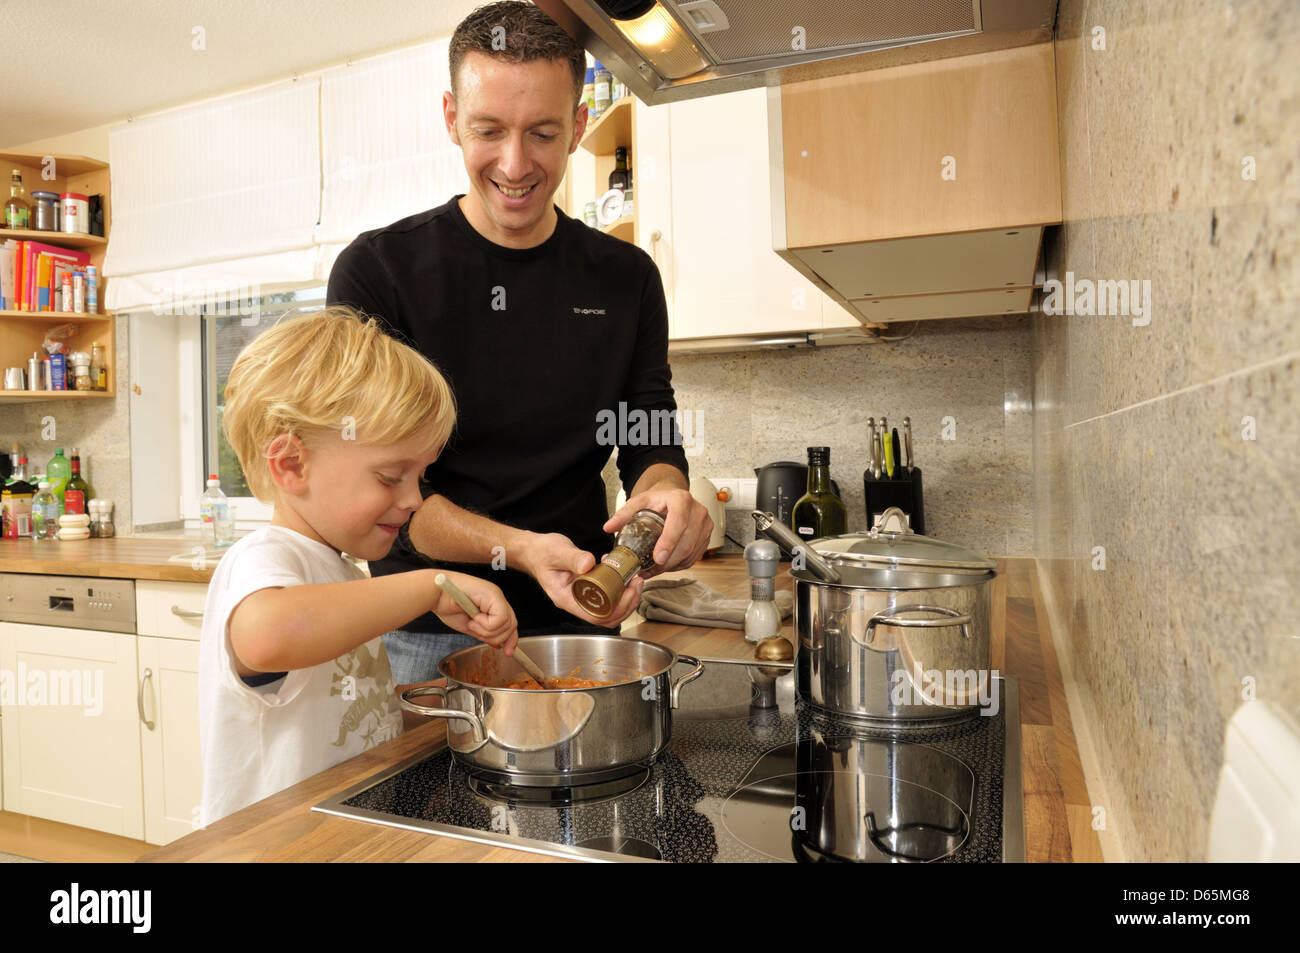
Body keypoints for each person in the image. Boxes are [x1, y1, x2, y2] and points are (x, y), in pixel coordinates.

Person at [327, 0, 712, 685]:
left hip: (585, 616)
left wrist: (666, 498)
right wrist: (524, 550)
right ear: (451, 118)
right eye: (488, 130)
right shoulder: (378, 273)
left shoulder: (626, 278)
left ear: (578, 127)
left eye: (541, 132)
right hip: (430, 628)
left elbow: (649, 437)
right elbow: (380, 490)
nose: (514, 163)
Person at [197, 306, 518, 827]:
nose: (415, 499)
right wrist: (431, 586)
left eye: (421, 475)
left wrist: (429, 712)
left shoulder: (340, 571)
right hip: (268, 848)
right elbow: (268, 636)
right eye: (392, 476)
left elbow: (330, 707)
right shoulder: (265, 557)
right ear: (292, 465)